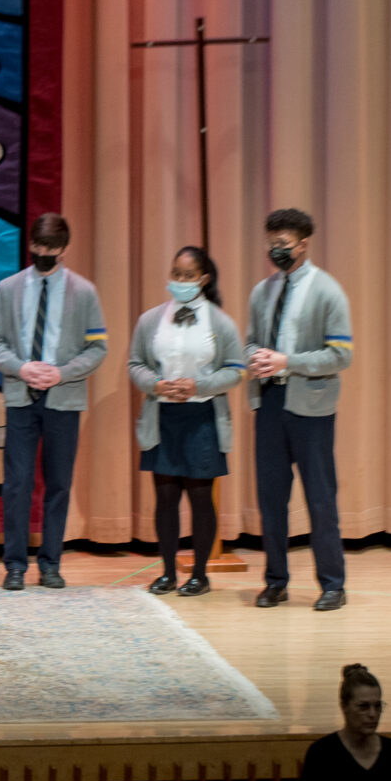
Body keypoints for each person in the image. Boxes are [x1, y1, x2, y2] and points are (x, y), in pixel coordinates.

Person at [0, 212, 108, 590]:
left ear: (64, 249)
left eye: (51, 248)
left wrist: (62, 373)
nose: (43, 253)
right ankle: (15, 566)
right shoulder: (9, 288)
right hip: (21, 397)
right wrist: (21, 368)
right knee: (17, 482)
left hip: (64, 399)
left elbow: (98, 347)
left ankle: (51, 563)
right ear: (30, 245)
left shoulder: (84, 291)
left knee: (58, 483)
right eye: (38, 246)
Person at [246, 208, 354, 612]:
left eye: (283, 245)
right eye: (271, 244)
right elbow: (250, 342)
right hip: (270, 403)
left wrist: (287, 361)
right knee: (271, 499)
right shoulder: (262, 291)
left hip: (311, 407)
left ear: (303, 244)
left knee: (320, 498)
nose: (276, 251)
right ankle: (276, 581)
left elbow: (341, 355)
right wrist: (255, 359)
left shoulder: (328, 291)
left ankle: (332, 584)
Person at [127, 247, 244, 597]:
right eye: (175, 274)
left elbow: (236, 371)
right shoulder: (151, 320)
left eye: (188, 276)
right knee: (165, 497)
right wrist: (156, 384)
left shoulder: (220, 323)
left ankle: (200, 574)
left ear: (203, 280)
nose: (179, 281)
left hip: (202, 417)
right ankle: (167, 572)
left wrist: (200, 385)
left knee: (200, 497)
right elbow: (135, 365)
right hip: (163, 415)